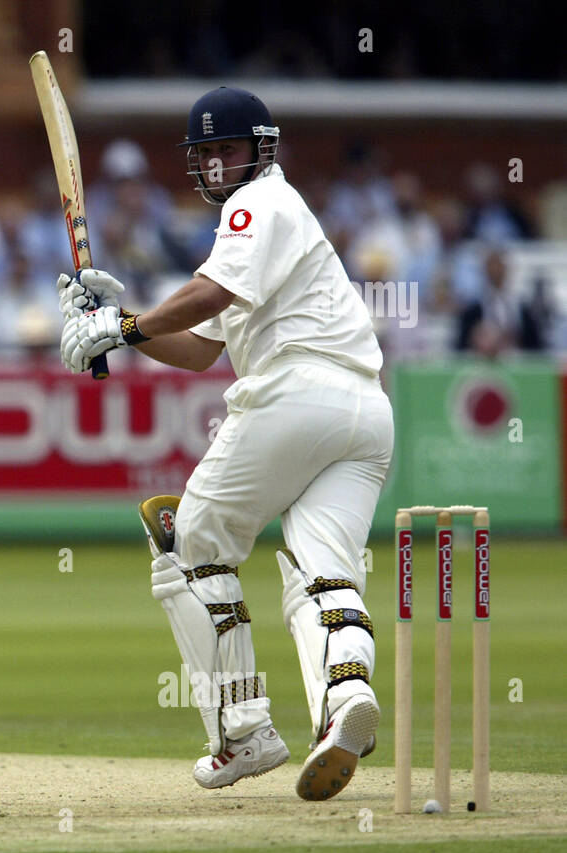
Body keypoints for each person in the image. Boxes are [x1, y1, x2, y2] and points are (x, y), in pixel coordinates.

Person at [58, 88, 392, 801]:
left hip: (296, 395)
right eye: (204, 154)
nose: (215, 166)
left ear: (261, 149)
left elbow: (207, 296)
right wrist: (123, 320)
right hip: (365, 415)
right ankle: (344, 698)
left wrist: (122, 325)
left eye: (227, 151)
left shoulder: (258, 204)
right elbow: (199, 349)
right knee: (322, 572)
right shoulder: (273, 220)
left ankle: (242, 730)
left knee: (188, 543)